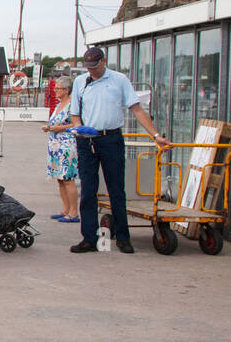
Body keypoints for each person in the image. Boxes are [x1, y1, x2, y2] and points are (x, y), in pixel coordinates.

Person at [68, 46, 170, 253]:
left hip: (111, 138)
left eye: (95, 67)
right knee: (88, 190)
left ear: (103, 62)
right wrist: (79, 129)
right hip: (87, 140)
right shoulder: (81, 82)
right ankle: (89, 238)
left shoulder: (119, 80)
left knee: (116, 190)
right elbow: (75, 114)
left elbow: (136, 108)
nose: (92, 71)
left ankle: (123, 237)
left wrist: (155, 135)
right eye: (88, 68)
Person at [40, 75, 79, 222]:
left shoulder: (72, 105)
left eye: (58, 88)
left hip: (67, 145)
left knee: (68, 178)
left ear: (67, 89)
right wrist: (50, 128)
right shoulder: (58, 105)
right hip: (55, 144)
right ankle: (65, 208)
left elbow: (76, 124)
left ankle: (74, 212)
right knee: (60, 179)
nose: (55, 91)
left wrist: (58, 128)